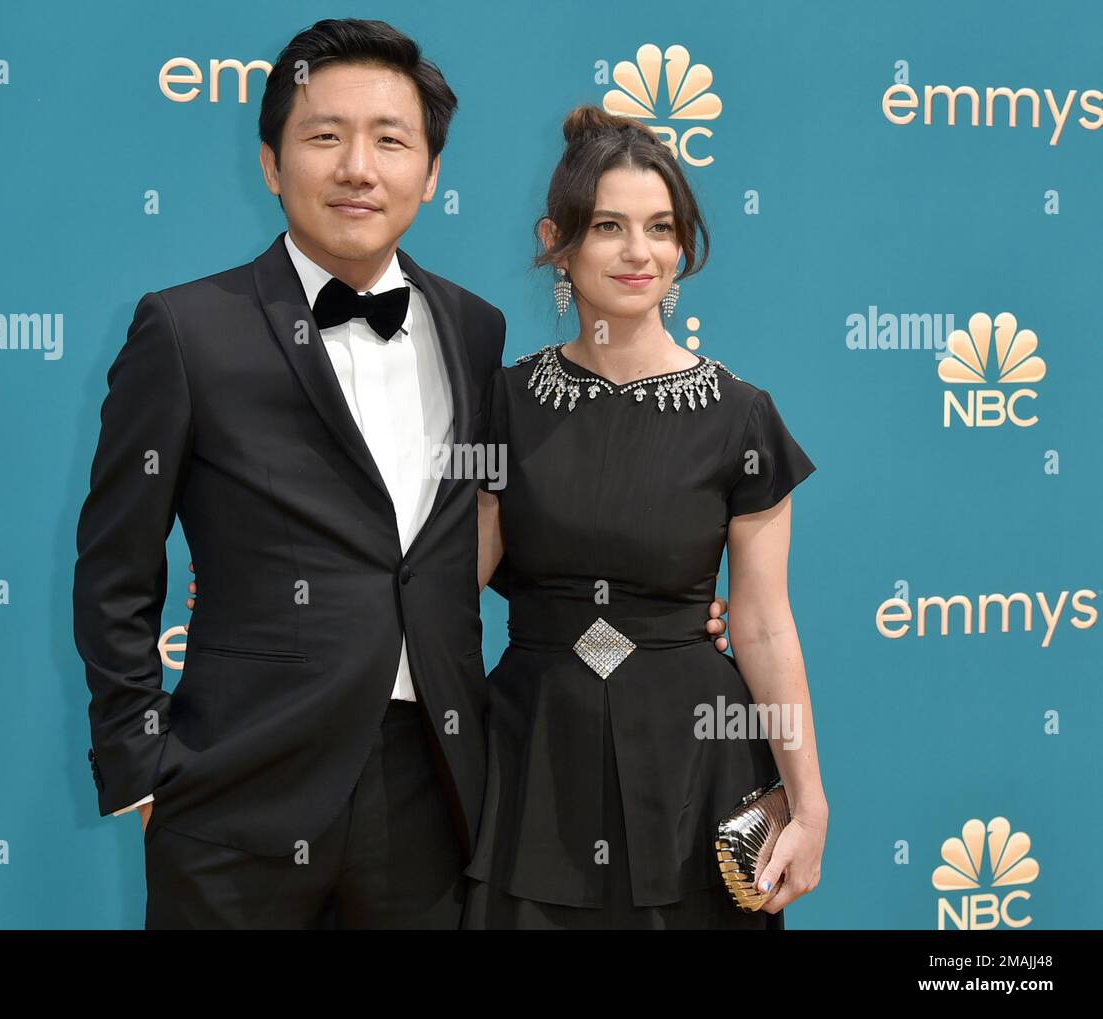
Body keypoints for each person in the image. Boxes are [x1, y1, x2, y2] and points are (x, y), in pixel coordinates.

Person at [73, 19, 732, 930]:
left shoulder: (474, 330)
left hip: (436, 787)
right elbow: (115, 569)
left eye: (390, 140)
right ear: (271, 163)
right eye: (324, 135)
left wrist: (652, 607)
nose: (358, 168)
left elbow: (495, 532)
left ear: (429, 174)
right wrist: (144, 771)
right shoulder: (187, 330)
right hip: (236, 788)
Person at [460, 106, 829, 929]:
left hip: (696, 760)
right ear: (557, 242)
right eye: (609, 227)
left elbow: (764, 624)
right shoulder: (504, 404)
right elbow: (449, 591)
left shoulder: (742, 417)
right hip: (530, 752)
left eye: (660, 228)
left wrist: (808, 803)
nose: (639, 252)